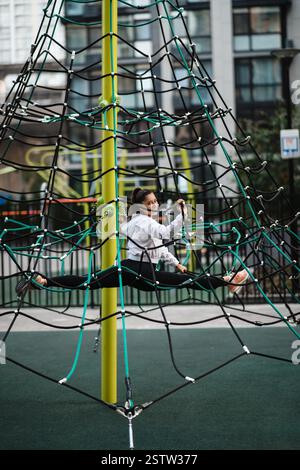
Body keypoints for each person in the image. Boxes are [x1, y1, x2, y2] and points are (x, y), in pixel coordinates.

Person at [16, 187, 249, 297]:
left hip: (135, 269)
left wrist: (175, 261)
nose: (155, 205)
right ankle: (227, 280)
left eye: (156, 202)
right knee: (185, 281)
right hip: (138, 270)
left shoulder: (136, 221)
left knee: (87, 282)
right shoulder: (144, 222)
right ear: (142, 206)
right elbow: (167, 233)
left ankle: (43, 281)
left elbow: (155, 246)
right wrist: (183, 214)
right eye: (150, 203)